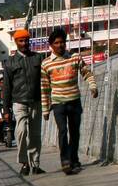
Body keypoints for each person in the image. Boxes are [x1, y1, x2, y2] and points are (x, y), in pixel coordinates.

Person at [41, 26, 98, 175]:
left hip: (74, 100)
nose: (60, 45)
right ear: (51, 45)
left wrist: (92, 86)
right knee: (63, 131)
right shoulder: (46, 64)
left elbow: (86, 73)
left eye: (62, 42)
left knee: (74, 132)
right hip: (58, 103)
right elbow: (45, 88)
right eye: (57, 43)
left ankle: (74, 159)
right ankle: (65, 160)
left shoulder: (75, 58)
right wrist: (45, 109)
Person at [1, 28, 45, 177]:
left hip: (36, 101)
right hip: (19, 102)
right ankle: (24, 162)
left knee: (35, 134)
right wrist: (6, 110)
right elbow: (6, 87)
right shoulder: (9, 63)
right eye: (21, 40)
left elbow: (46, 80)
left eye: (26, 40)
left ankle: (35, 164)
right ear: (16, 42)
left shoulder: (38, 58)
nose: (24, 43)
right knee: (21, 131)